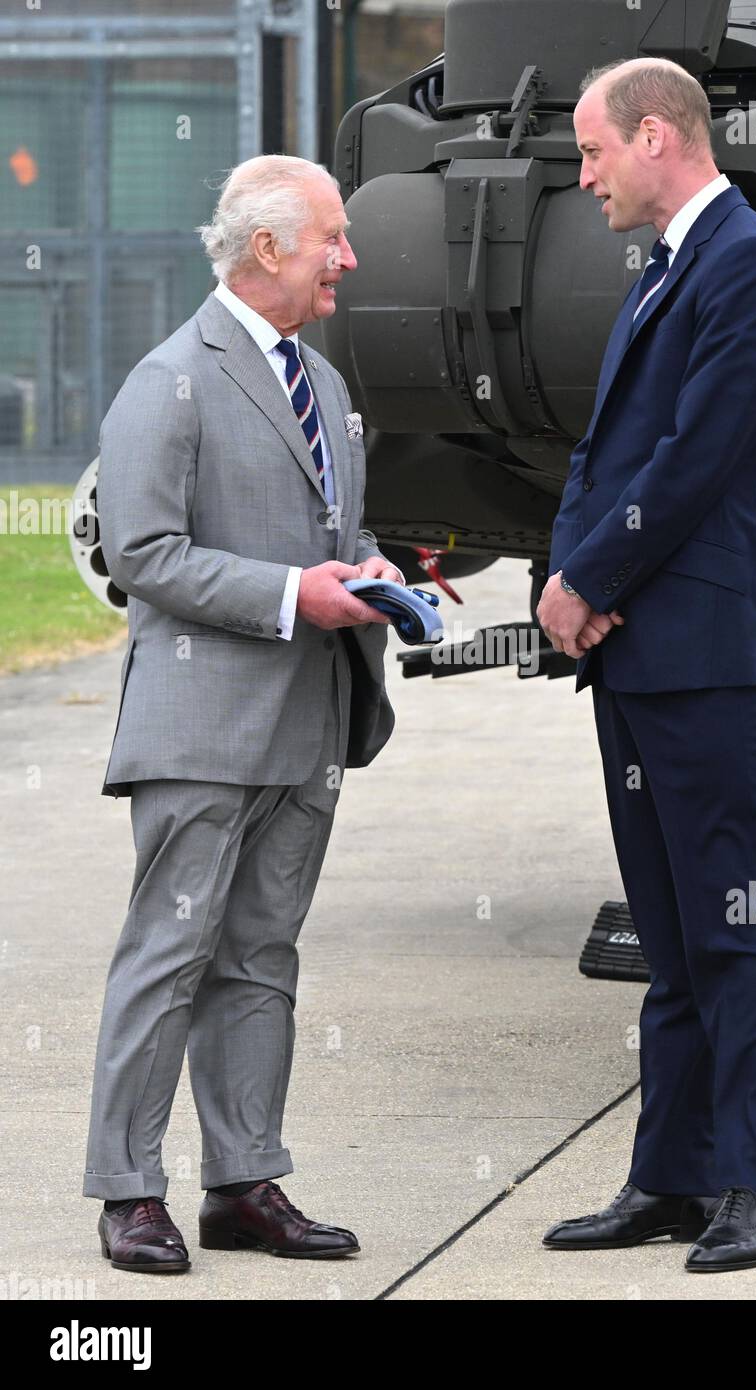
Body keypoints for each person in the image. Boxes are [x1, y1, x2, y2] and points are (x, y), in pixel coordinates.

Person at [83, 154, 404, 1273]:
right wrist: (290, 595)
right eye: (333, 238)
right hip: (202, 727)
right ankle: (128, 1189)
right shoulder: (168, 378)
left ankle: (243, 1181)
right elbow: (142, 550)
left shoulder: (322, 378)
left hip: (308, 723)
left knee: (262, 956)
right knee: (169, 955)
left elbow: (312, 534)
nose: (349, 259)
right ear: (266, 249)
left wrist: (362, 572)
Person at [537, 57, 756, 1272]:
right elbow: (606, 455)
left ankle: (752, 1182)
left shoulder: (748, 257)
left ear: (658, 136)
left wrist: (590, 579)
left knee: (739, 923)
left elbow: (700, 457)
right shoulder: (666, 267)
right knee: (668, 930)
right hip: (639, 651)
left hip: (699, 647)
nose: (584, 174)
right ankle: (671, 1176)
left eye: (594, 150)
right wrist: (569, 577)